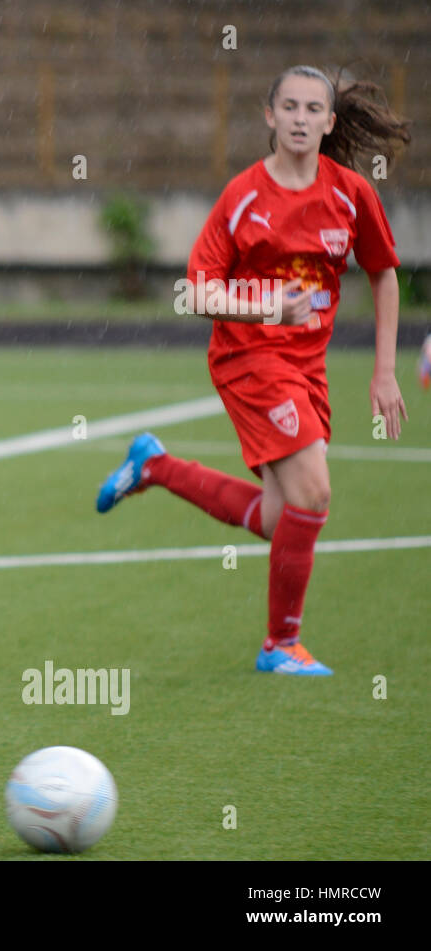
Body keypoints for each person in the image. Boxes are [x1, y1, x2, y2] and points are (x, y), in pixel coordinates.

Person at [97, 66, 410, 676]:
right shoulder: (243, 197)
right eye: (287, 106)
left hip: (307, 365)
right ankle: (280, 645)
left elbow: (383, 272)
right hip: (248, 359)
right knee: (314, 492)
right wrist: (266, 305)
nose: (299, 118)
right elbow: (195, 294)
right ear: (269, 117)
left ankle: (157, 465)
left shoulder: (350, 192)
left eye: (311, 108)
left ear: (329, 122)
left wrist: (385, 371)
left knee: (281, 517)